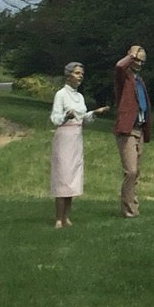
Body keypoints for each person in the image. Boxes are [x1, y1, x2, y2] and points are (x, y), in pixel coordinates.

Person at [49, 62, 98, 227]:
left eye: (81, 74)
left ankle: (66, 216)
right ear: (68, 75)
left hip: (76, 137)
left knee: (72, 177)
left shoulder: (80, 96)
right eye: (77, 73)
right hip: (64, 137)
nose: (80, 76)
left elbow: (82, 118)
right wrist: (65, 116)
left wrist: (95, 113)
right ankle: (58, 218)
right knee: (63, 175)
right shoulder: (61, 95)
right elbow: (55, 118)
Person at [113, 43, 151, 218]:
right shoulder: (124, 77)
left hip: (139, 130)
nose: (139, 63)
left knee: (137, 172)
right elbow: (120, 66)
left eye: (142, 61)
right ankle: (127, 210)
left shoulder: (139, 80)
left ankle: (133, 208)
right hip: (127, 130)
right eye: (137, 59)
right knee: (131, 171)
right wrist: (132, 54)